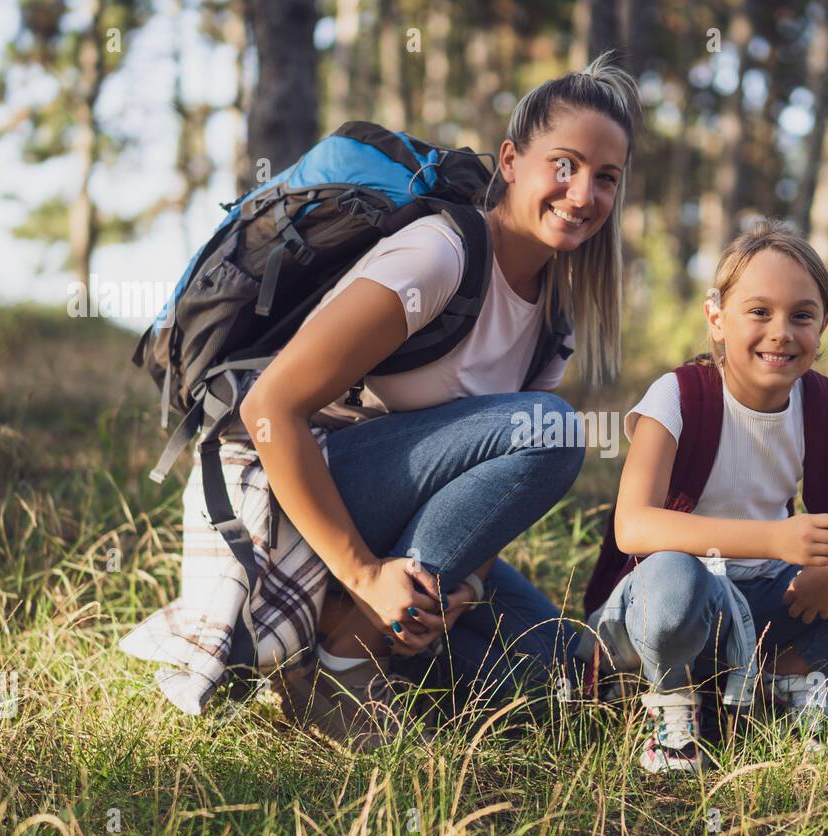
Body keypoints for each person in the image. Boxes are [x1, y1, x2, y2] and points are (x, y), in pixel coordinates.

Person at [237, 52, 642, 746]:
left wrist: (464, 585)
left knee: (557, 681)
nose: (583, 195)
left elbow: (491, 484)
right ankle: (346, 656)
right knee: (554, 430)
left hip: (406, 535)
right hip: (310, 495)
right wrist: (367, 577)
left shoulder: (553, 320)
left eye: (606, 178)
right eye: (566, 165)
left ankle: (369, 649)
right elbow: (269, 409)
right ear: (511, 161)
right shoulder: (440, 255)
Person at [583, 219, 828, 774]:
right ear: (716, 317)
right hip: (664, 603)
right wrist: (775, 538)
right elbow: (634, 527)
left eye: (802, 315)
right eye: (759, 311)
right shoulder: (677, 396)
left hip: (769, 599)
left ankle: (790, 672)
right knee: (676, 576)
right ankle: (672, 703)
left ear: (824, 326)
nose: (781, 332)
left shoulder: (825, 406)